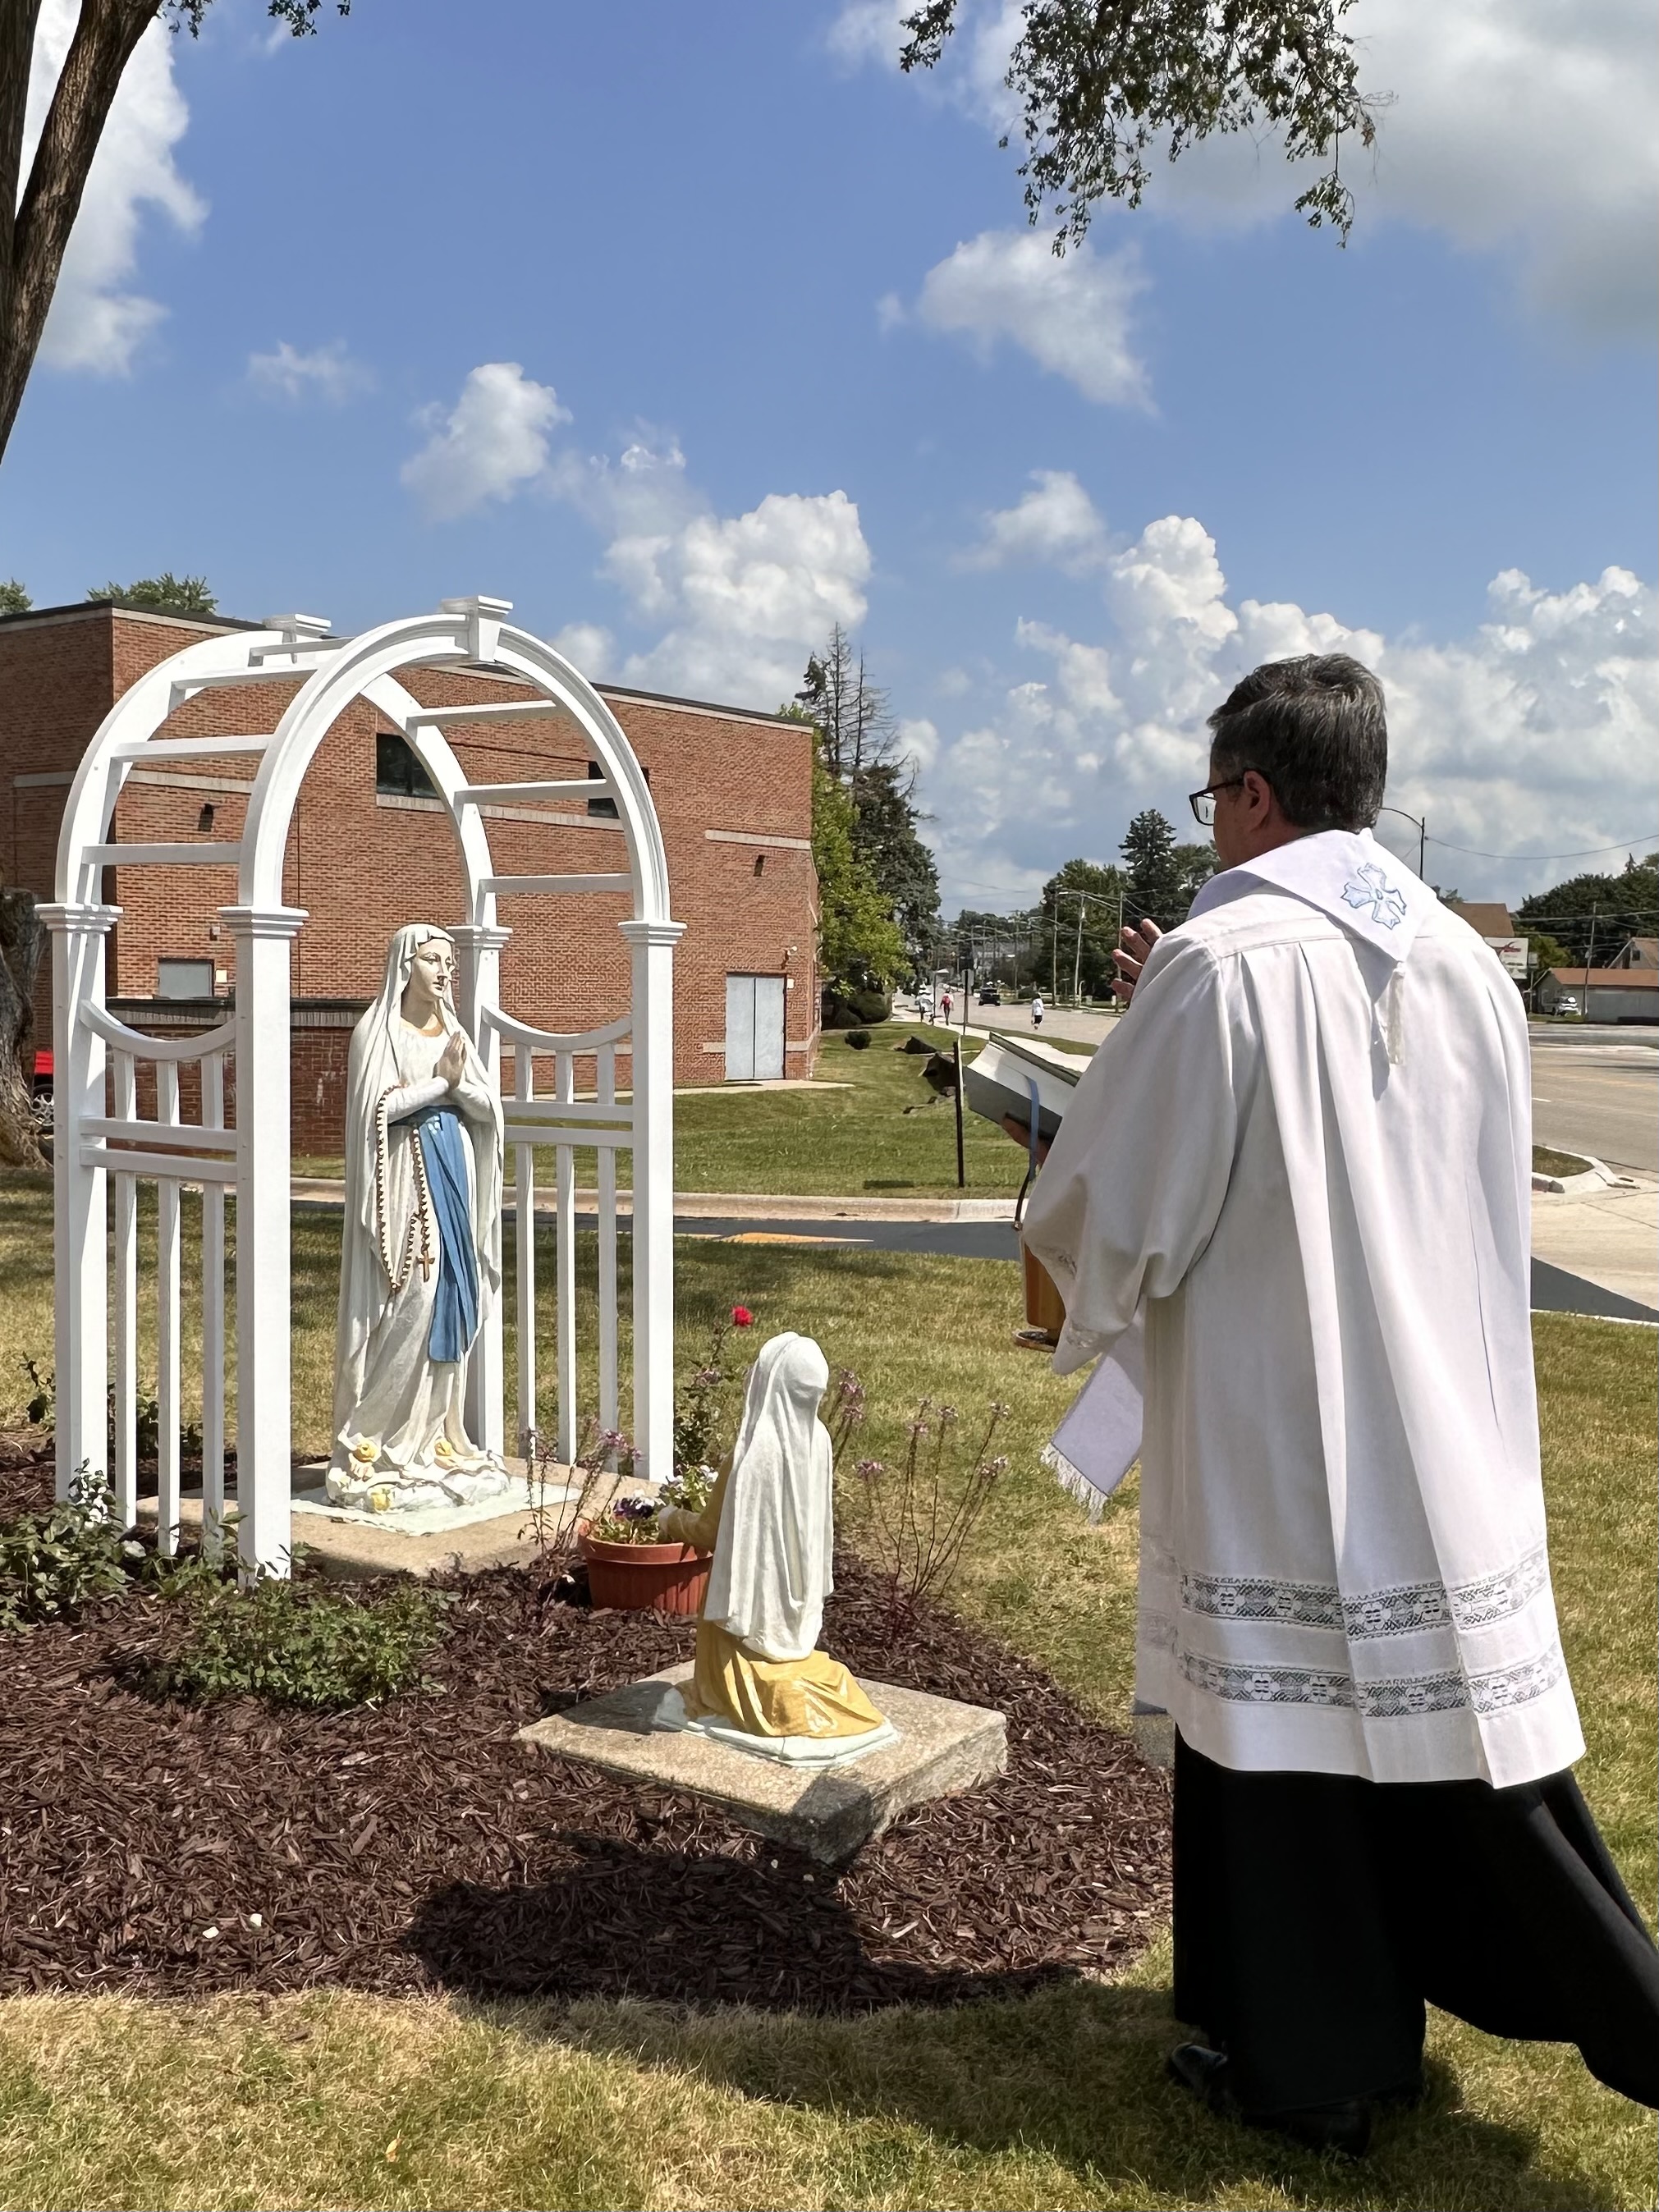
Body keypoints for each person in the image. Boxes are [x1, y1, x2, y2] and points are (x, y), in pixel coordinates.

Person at [1022, 654, 1659, 2155]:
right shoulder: (1455, 955)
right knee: (1442, 1747)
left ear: (1249, 791)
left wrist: (1066, 1194)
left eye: (1211, 798)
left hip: (1284, 1416)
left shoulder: (1224, 959)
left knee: (1281, 1740)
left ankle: (1310, 2063)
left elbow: (1117, 1206)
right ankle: (1382, 2025)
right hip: (1441, 1411)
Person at [329, 924, 508, 1511]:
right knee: (412, 1295)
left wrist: (455, 1091)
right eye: (432, 960)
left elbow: (485, 1104)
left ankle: (430, 1436)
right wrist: (440, 1084)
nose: (442, 971)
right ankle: (370, 1440)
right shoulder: (375, 1032)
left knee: (454, 1295)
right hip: (402, 1178)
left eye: (449, 962)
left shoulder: (454, 1030)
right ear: (405, 963)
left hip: (452, 1170)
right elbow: (376, 1110)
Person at [657, 1332, 887, 1743]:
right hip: (797, 1611)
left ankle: (718, 1700)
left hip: (754, 1614)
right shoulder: (820, 1441)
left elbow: (711, 1532)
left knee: (717, 1601)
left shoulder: (749, 1456)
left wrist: (671, 1518)